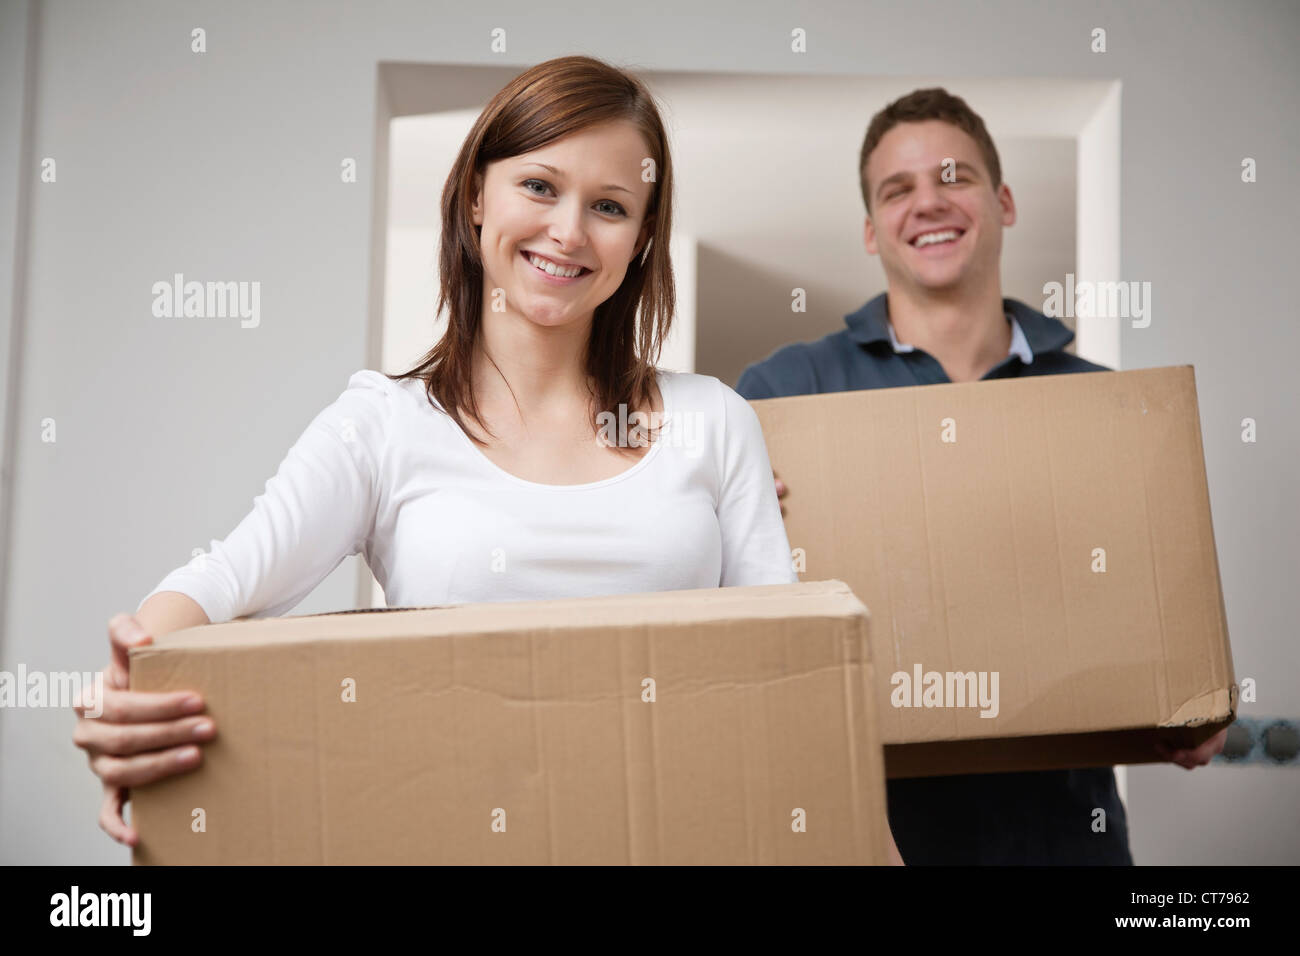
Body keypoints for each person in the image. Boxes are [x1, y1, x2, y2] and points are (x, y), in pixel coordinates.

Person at [74, 56, 908, 862]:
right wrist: (130, 687)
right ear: (477, 195)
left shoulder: (714, 420)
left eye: (610, 206)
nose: (568, 231)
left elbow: (789, 677)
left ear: (641, 238)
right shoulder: (384, 425)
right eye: (539, 186)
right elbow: (223, 581)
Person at [736, 87, 1226, 865]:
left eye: (954, 177)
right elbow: (719, 608)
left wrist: (1191, 695)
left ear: (1003, 201)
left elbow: (1159, 606)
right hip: (862, 839)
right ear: (871, 230)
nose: (928, 202)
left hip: (1061, 841)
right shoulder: (783, 395)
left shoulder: (1101, 402)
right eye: (898, 189)